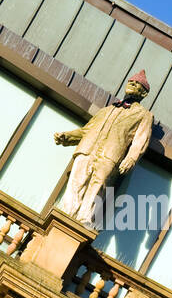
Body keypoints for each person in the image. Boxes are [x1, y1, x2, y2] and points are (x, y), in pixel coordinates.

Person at [54, 69, 154, 227]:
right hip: (87, 150)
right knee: (76, 182)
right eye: (131, 82)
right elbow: (87, 130)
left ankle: (83, 221)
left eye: (137, 85)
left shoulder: (143, 115)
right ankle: (66, 215)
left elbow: (140, 140)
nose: (133, 85)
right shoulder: (107, 109)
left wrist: (131, 158)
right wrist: (68, 136)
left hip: (110, 156)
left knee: (97, 187)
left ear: (143, 93)